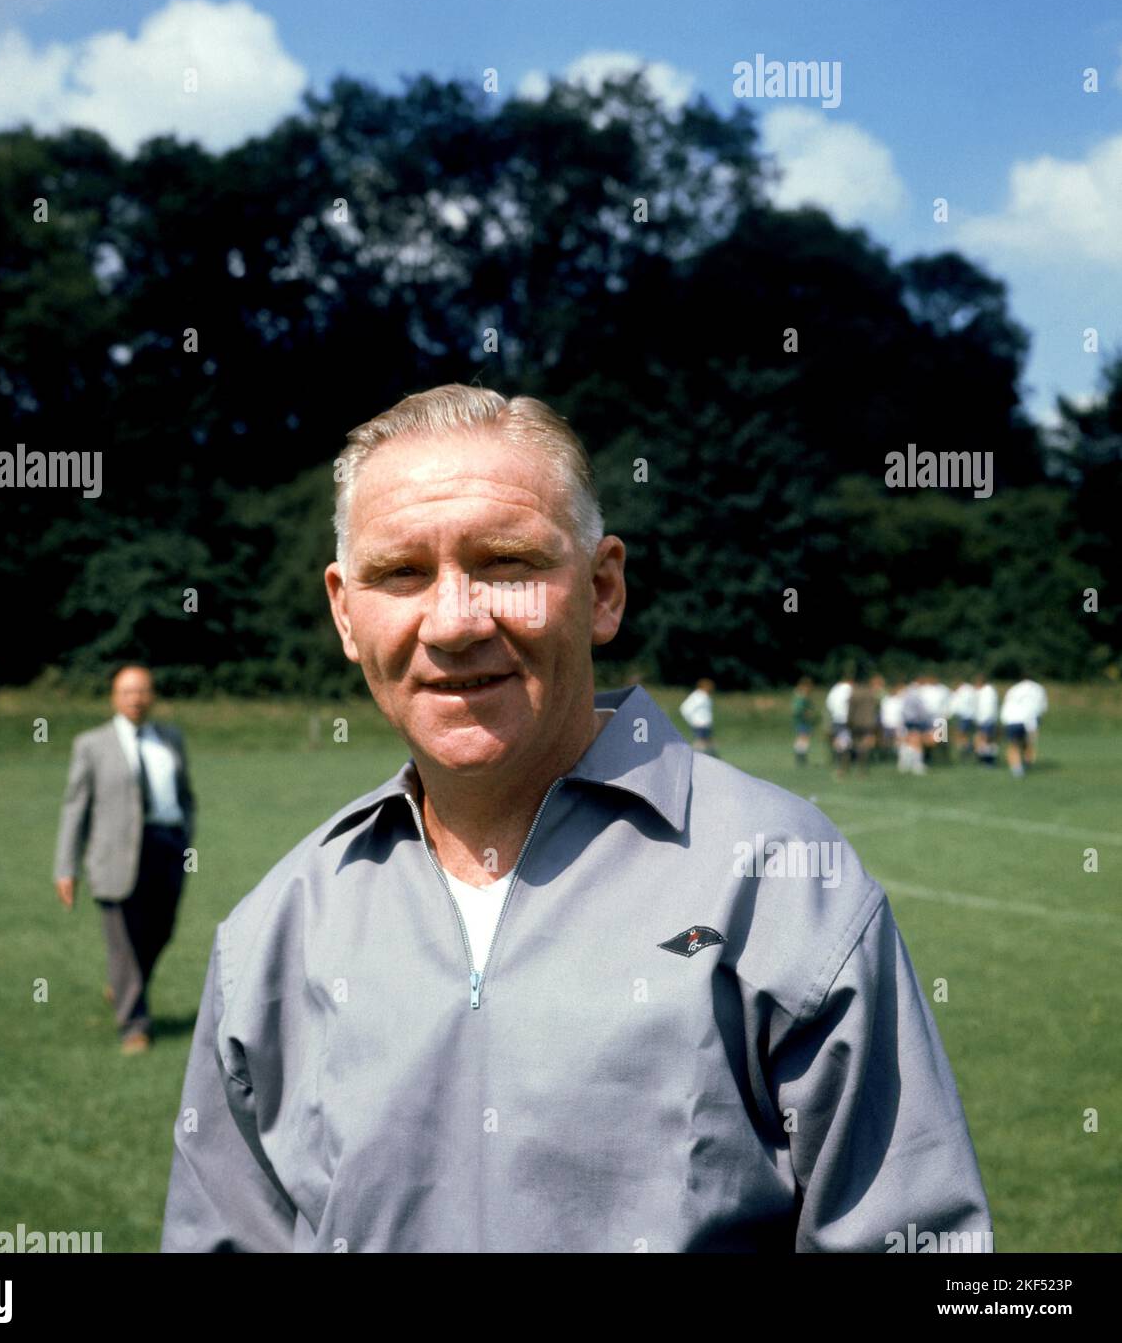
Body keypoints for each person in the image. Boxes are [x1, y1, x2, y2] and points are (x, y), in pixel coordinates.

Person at [162, 383, 991, 1253]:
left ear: (601, 591)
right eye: (401, 573)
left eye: (507, 564)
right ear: (343, 610)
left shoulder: (781, 881)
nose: (451, 622)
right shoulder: (275, 929)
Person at [53, 665, 196, 1054]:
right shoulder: (91, 744)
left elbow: (186, 796)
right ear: (114, 697)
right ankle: (134, 1025)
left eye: (142, 691)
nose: (136, 698)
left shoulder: (170, 738)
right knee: (124, 943)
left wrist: (185, 836)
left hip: (167, 848)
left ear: (152, 695)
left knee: (161, 930)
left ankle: (120, 986)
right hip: (113, 856)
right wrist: (66, 866)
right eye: (127, 692)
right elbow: (75, 808)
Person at [999, 675, 1049, 778]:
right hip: (1030, 720)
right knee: (1028, 743)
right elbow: (1043, 706)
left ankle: (1017, 769)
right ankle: (1026, 763)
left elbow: (1007, 703)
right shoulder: (1038, 688)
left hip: (1012, 719)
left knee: (1013, 745)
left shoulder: (1013, 688)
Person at [841, 673, 881, 777]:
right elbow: (877, 709)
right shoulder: (871, 693)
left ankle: (845, 769)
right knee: (864, 746)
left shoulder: (854, 692)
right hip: (868, 723)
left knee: (850, 745)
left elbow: (850, 710)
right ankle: (862, 770)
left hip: (855, 723)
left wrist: (848, 722)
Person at [823, 671, 853, 770]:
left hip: (836, 718)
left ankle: (838, 759)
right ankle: (845, 761)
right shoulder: (849, 688)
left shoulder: (835, 689)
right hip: (847, 718)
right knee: (847, 740)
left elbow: (829, 704)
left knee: (838, 741)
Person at [679, 677, 716, 754]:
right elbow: (685, 708)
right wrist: (692, 721)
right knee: (700, 742)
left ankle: (714, 759)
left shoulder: (706, 696)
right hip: (699, 724)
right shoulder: (697, 696)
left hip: (706, 724)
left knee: (708, 742)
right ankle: (691, 756)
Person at [973, 673, 999, 766]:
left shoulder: (986, 692)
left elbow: (986, 708)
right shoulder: (989, 690)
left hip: (986, 719)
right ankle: (986, 758)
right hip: (987, 719)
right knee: (985, 740)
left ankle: (988, 759)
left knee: (985, 740)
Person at [950, 678, 978, 760]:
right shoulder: (969, 689)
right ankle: (968, 749)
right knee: (963, 735)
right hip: (968, 716)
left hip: (965, 716)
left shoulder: (964, 690)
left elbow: (958, 705)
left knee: (961, 735)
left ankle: (970, 748)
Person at [790, 677, 815, 766]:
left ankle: (801, 757)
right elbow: (797, 710)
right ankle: (801, 758)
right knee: (803, 738)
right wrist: (806, 713)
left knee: (803, 738)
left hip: (802, 721)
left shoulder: (800, 696)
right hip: (802, 721)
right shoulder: (801, 697)